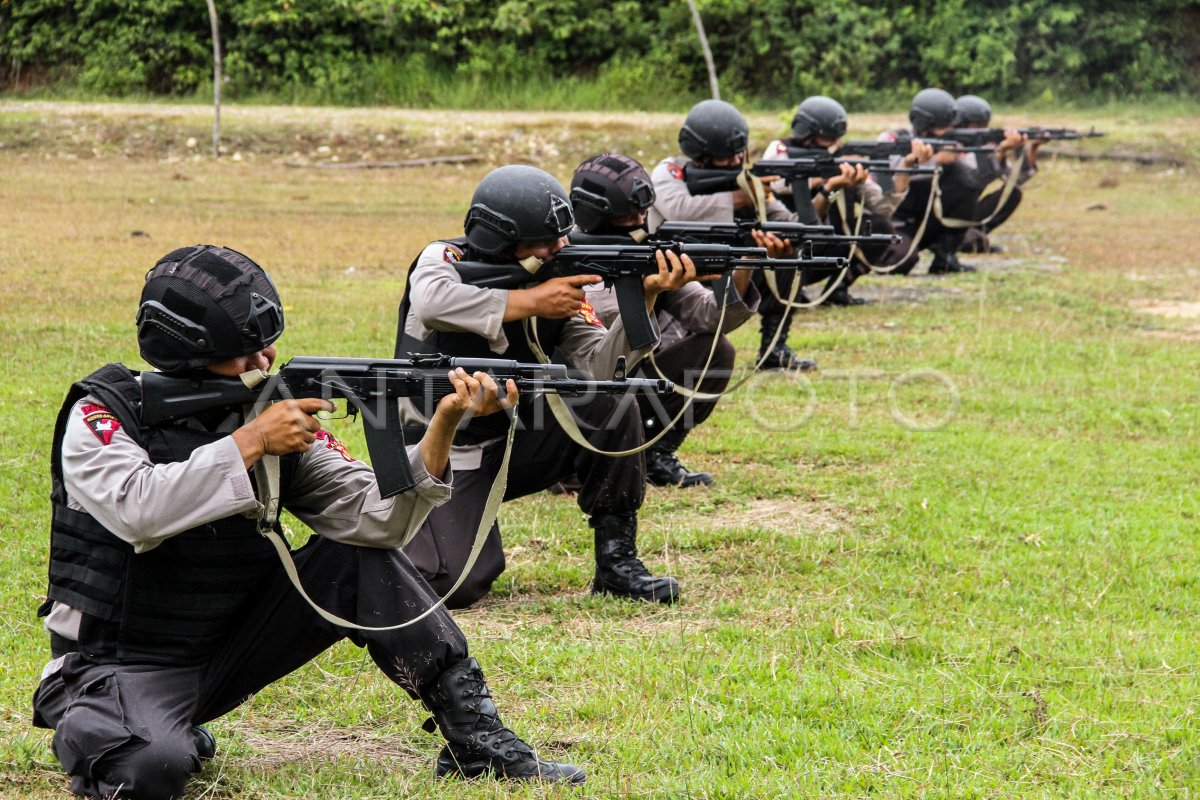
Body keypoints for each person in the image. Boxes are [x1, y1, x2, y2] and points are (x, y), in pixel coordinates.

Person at [32, 244, 585, 800]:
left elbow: (377, 523)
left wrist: (443, 427)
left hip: (224, 649)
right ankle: (102, 721)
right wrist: (250, 441)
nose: (265, 359)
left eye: (265, 345)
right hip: (119, 663)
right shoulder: (104, 413)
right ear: (191, 353)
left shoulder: (270, 415)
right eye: (246, 353)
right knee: (152, 768)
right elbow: (138, 511)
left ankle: (475, 737)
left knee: (354, 554)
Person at [398, 164, 689, 607]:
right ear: (501, 241)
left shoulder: (554, 278)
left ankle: (617, 562)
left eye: (563, 236)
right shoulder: (445, 258)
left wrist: (644, 296)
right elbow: (432, 302)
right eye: (546, 241)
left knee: (610, 403)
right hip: (445, 452)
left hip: (516, 439)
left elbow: (598, 368)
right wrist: (531, 300)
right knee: (454, 585)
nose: (562, 247)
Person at [569, 152, 763, 487]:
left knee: (716, 351)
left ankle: (656, 454)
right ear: (595, 217)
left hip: (632, 384)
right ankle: (573, 461)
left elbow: (710, 318)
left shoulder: (649, 256)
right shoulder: (563, 258)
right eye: (629, 217)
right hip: (576, 395)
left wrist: (739, 262)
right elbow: (591, 346)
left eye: (644, 212)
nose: (641, 222)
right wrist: (644, 291)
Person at [647, 99, 818, 372]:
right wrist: (740, 197)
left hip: (730, 269)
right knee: (673, 347)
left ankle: (774, 349)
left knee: (787, 258)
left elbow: (790, 223)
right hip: (674, 276)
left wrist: (825, 192)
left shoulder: (743, 179)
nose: (736, 162)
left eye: (739, 155)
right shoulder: (670, 172)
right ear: (700, 155)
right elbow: (679, 209)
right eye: (726, 158)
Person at [762, 95, 927, 304]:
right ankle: (792, 287)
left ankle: (838, 289)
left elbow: (883, 206)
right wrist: (826, 178)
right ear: (807, 134)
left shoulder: (842, 162)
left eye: (837, 138)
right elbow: (775, 182)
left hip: (830, 244)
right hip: (790, 245)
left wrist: (906, 167)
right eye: (828, 138)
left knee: (881, 227)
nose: (836, 143)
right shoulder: (780, 150)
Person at [879, 88, 984, 275]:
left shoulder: (950, 142)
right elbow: (887, 184)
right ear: (923, 124)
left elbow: (976, 180)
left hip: (929, 220)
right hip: (895, 222)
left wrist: (997, 153)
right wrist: (933, 161)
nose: (946, 132)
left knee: (965, 177)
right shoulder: (892, 139)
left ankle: (946, 256)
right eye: (940, 127)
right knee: (899, 262)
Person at [953, 94, 1034, 254]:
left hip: (966, 212)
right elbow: (976, 178)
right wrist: (999, 152)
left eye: (983, 125)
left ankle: (971, 233)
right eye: (976, 125)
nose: (981, 130)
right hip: (944, 212)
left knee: (1013, 192)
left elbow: (1018, 178)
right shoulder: (949, 148)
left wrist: (1021, 148)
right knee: (971, 241)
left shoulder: (984, 147)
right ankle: (961, 238)